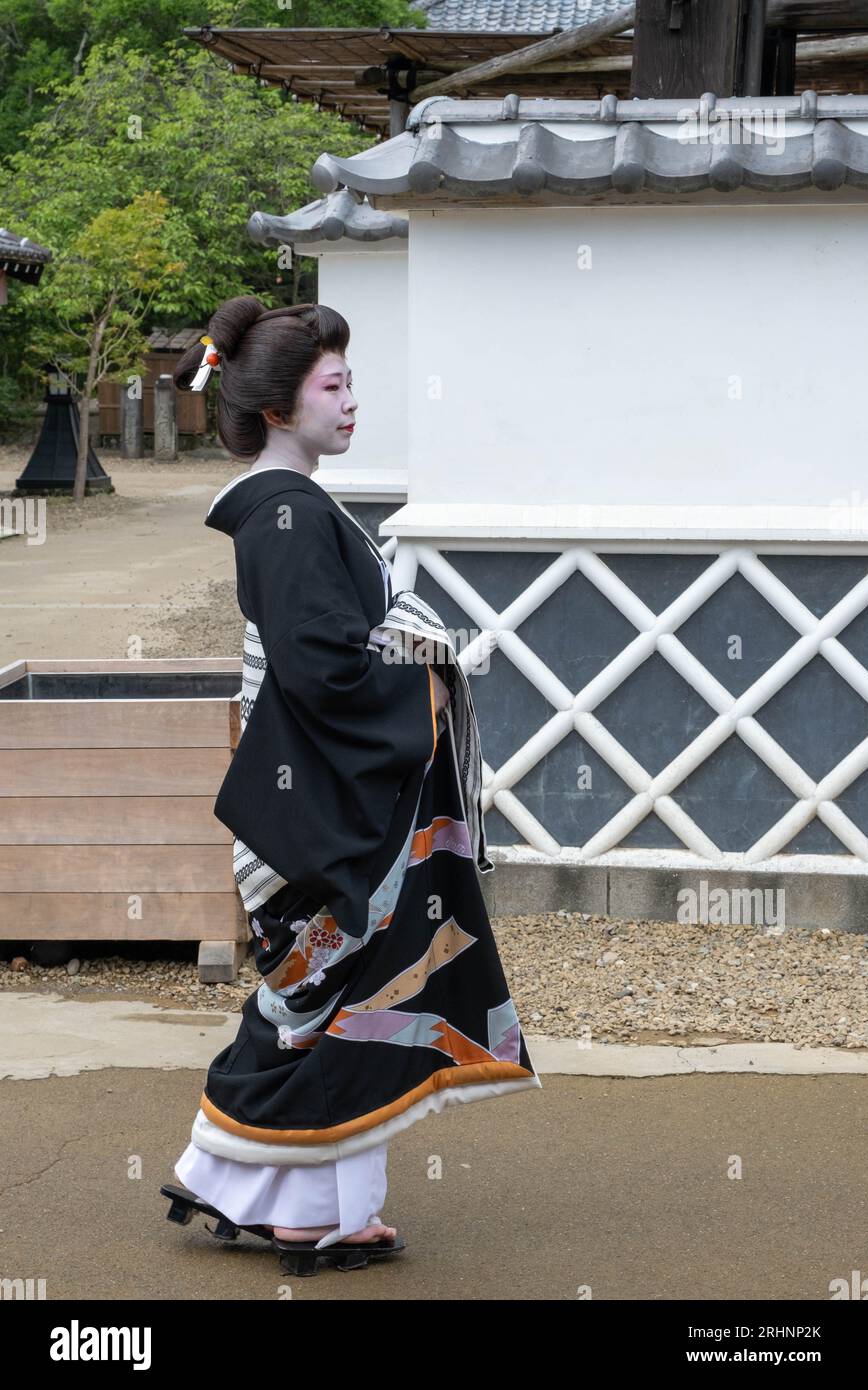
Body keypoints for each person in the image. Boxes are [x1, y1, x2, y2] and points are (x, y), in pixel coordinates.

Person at [168, 295, 541, 1256]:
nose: (350, 401)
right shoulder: (286, 514)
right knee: (335, 999)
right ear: (282, 410)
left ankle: (297, 1201)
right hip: (323, 803)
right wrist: (423, 674)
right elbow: (322, 668)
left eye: (349, 382)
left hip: (315, 790)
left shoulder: (288, 506)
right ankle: (301, 1205)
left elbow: (325, 656)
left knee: (333, 1002)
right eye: (333, 385)